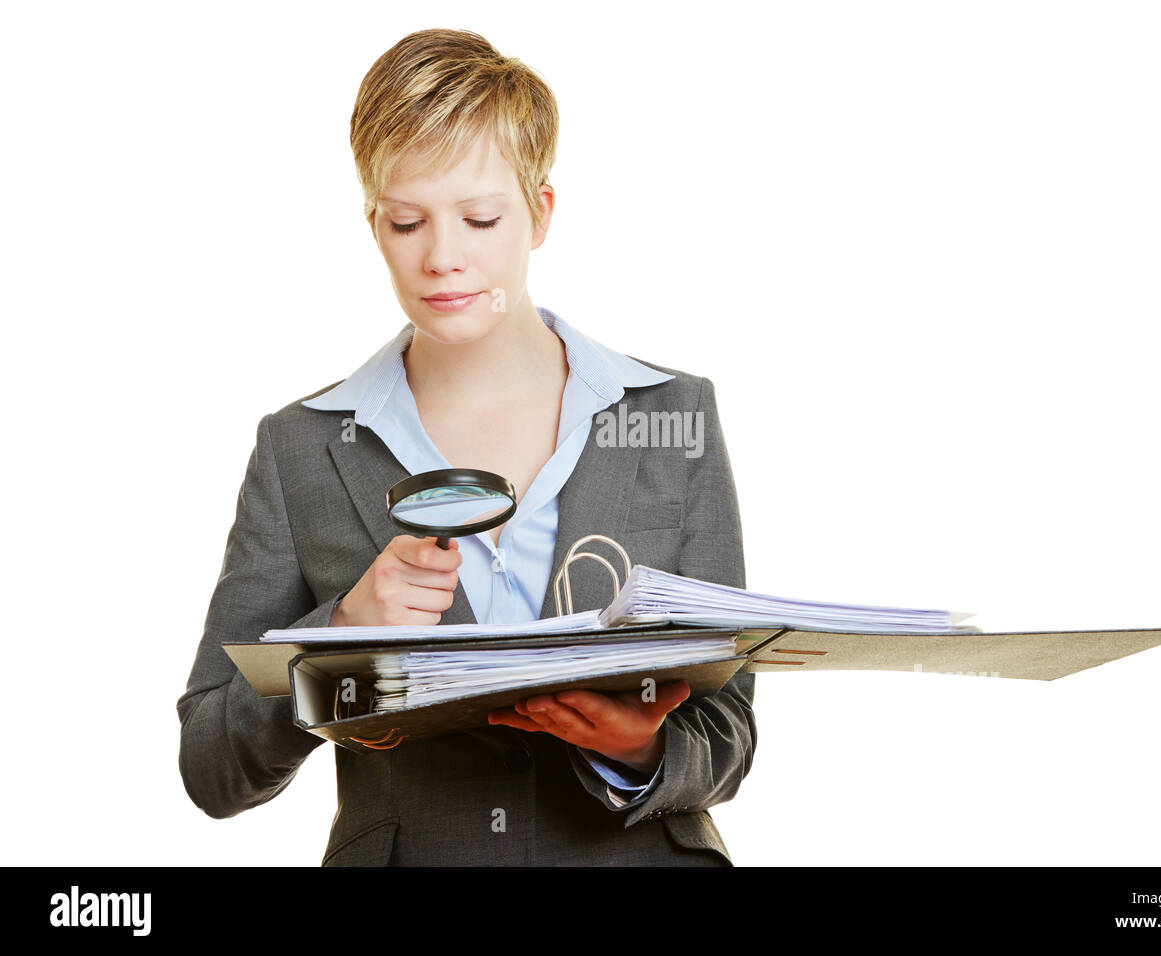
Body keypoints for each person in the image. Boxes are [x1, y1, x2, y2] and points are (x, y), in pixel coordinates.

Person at [177, 27, 754, 866]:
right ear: (374, 224)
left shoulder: (674, 416)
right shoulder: (298, 448)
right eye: (407, 222)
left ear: (540, 214)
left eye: (480, 218)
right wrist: (341, 631)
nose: (443, 258)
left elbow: (730, 730)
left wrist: (637, 750)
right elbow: (210, 767)